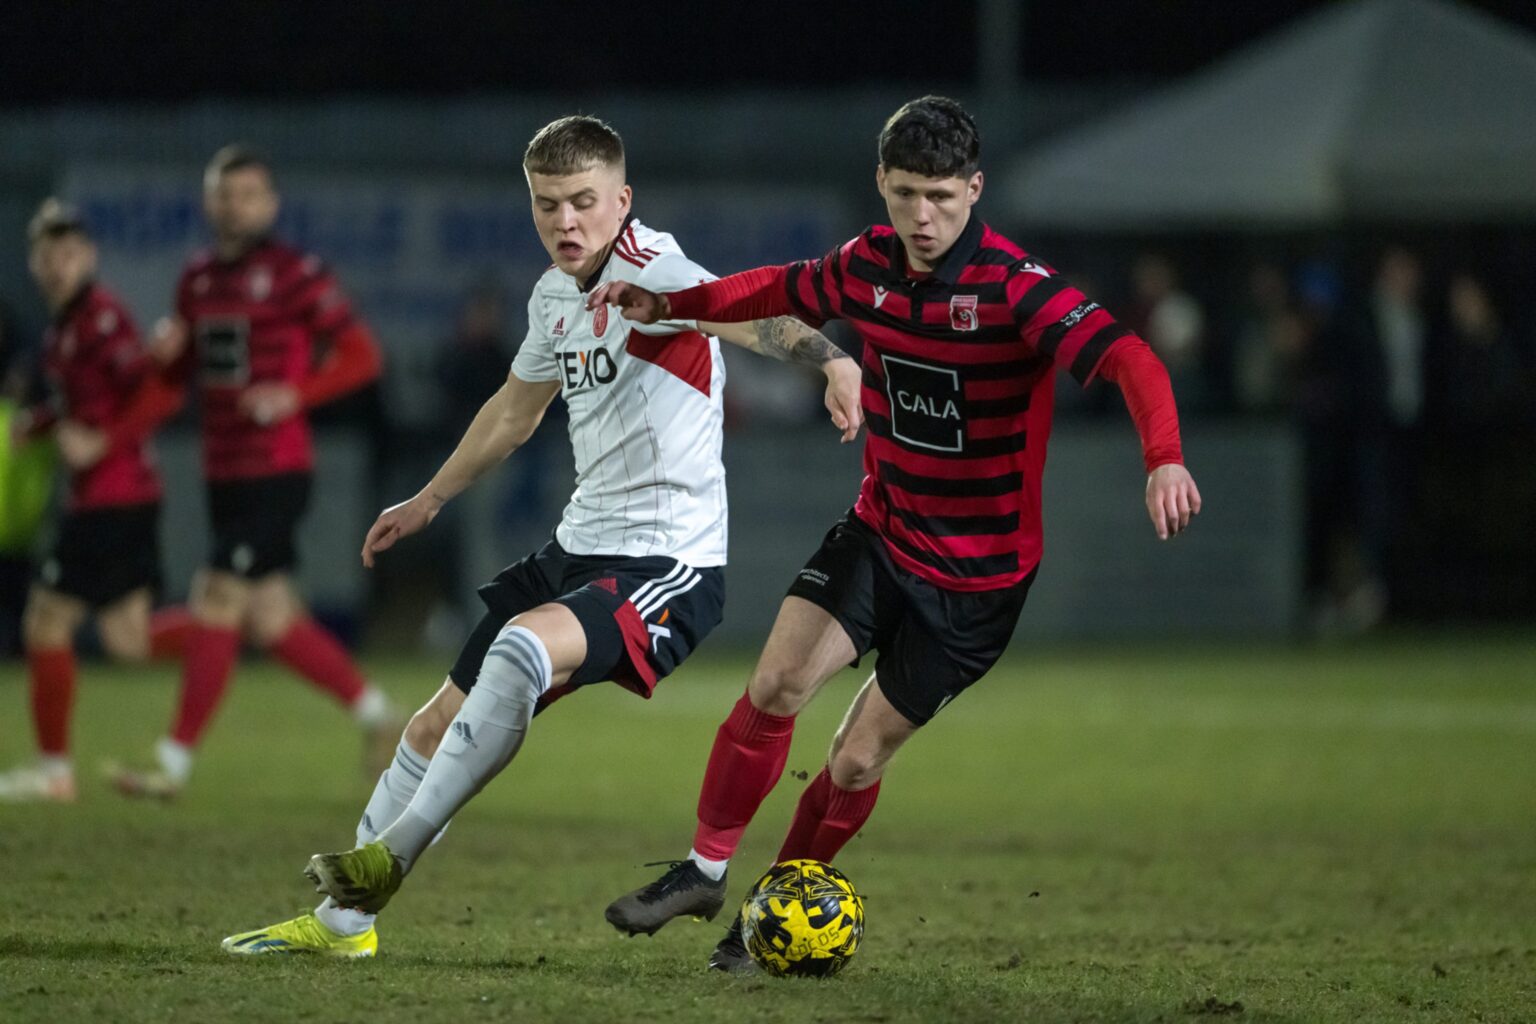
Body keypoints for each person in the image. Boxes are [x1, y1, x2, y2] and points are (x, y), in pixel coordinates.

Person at [219, 115, 861, 958]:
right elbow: (514, 412)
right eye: (547, 204)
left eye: (584, 202)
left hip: (666, 561)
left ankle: (390, 856)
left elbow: (751, 315)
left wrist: (831, 360)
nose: (565, 221)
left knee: (521, 650)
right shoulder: (554, 295)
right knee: (430, 724)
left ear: (621, 200)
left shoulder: (656, 270)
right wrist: (429, 498)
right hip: (578, 548)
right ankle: (344, 928)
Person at [589, 95, 1202, 972]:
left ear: (975, 189)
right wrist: (669, 300)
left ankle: (770, 912)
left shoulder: (1018, 289)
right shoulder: (863, 265)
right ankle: (703, 869)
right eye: (907, 193)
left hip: (978, 584)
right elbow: (769, 289)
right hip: (883, 531)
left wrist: (1165, 457)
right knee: (777, 681)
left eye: (944, 198)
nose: (923, 217)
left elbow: (1129, 358)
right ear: (881, 183)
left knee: (853, 757)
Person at [109, 146, 399, 798]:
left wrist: (295, 394)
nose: (234, 205)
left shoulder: (295, 273)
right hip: (223, 472)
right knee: (269, 618)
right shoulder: (197, 280)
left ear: (268, 204)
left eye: (247, 194)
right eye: (223, 193)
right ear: (209, 202)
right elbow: (173, 383)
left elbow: (361, 355)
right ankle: (380, 716)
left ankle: (172, 764)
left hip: (277, 469)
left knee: (217, 595)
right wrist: (122, 427)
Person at [0, 200, 193, 803]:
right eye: (47, 255)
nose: (58, 266)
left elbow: (159, 394)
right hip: (119, 500)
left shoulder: (100, 319)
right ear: (33, 262)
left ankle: (54, 771)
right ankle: (221, 629)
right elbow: (86, 403)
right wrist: (37, 424)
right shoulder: (63, 330)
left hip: (112, 499)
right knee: (126, 641)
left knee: (46, 622)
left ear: (89, 257)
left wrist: (102, 441)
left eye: (69, 254)